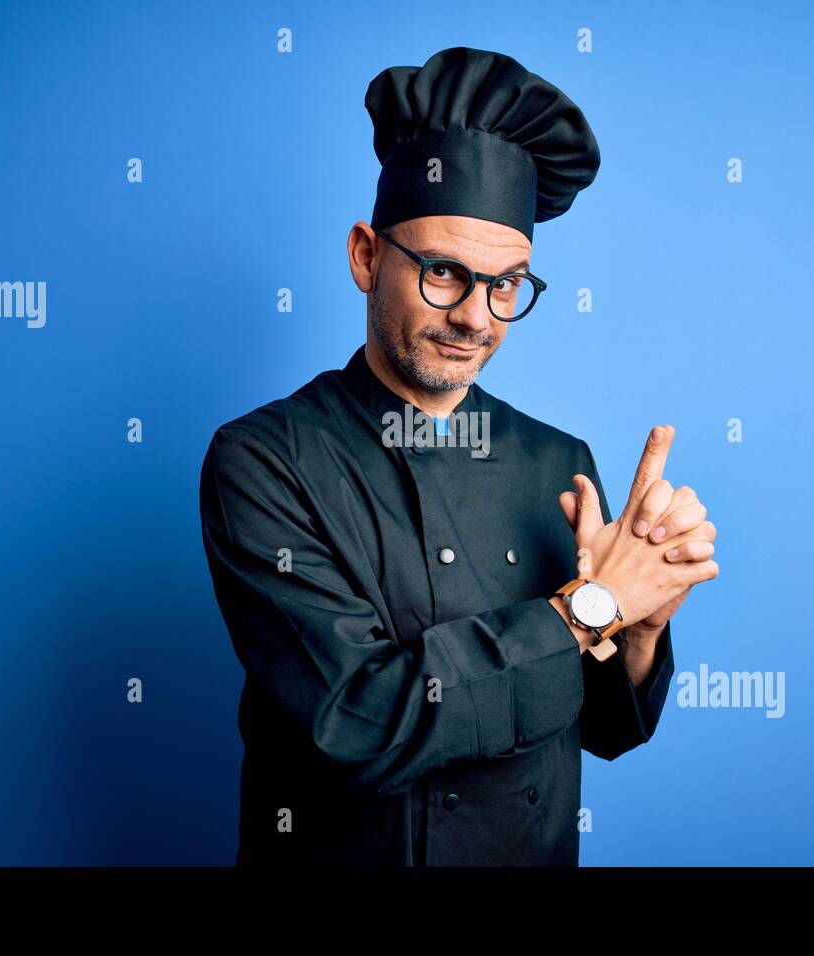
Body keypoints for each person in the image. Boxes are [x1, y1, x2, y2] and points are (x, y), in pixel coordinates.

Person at [199, 46, 719, 866]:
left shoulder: (558, 461)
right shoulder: (265, 461)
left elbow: (607, 729)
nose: (476, 316)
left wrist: (643, 622)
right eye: (443, 272)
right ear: (367, 256)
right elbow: (356, 721)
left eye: (506, 284)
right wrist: (589, 610)